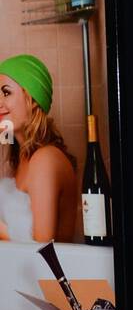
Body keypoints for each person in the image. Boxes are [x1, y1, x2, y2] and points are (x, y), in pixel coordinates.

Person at [0, 53, 78, 244]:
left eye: (6, 92)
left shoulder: (46, 159)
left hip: (48, 273)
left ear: (33, 99)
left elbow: (42, 246)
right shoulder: (19, 158)